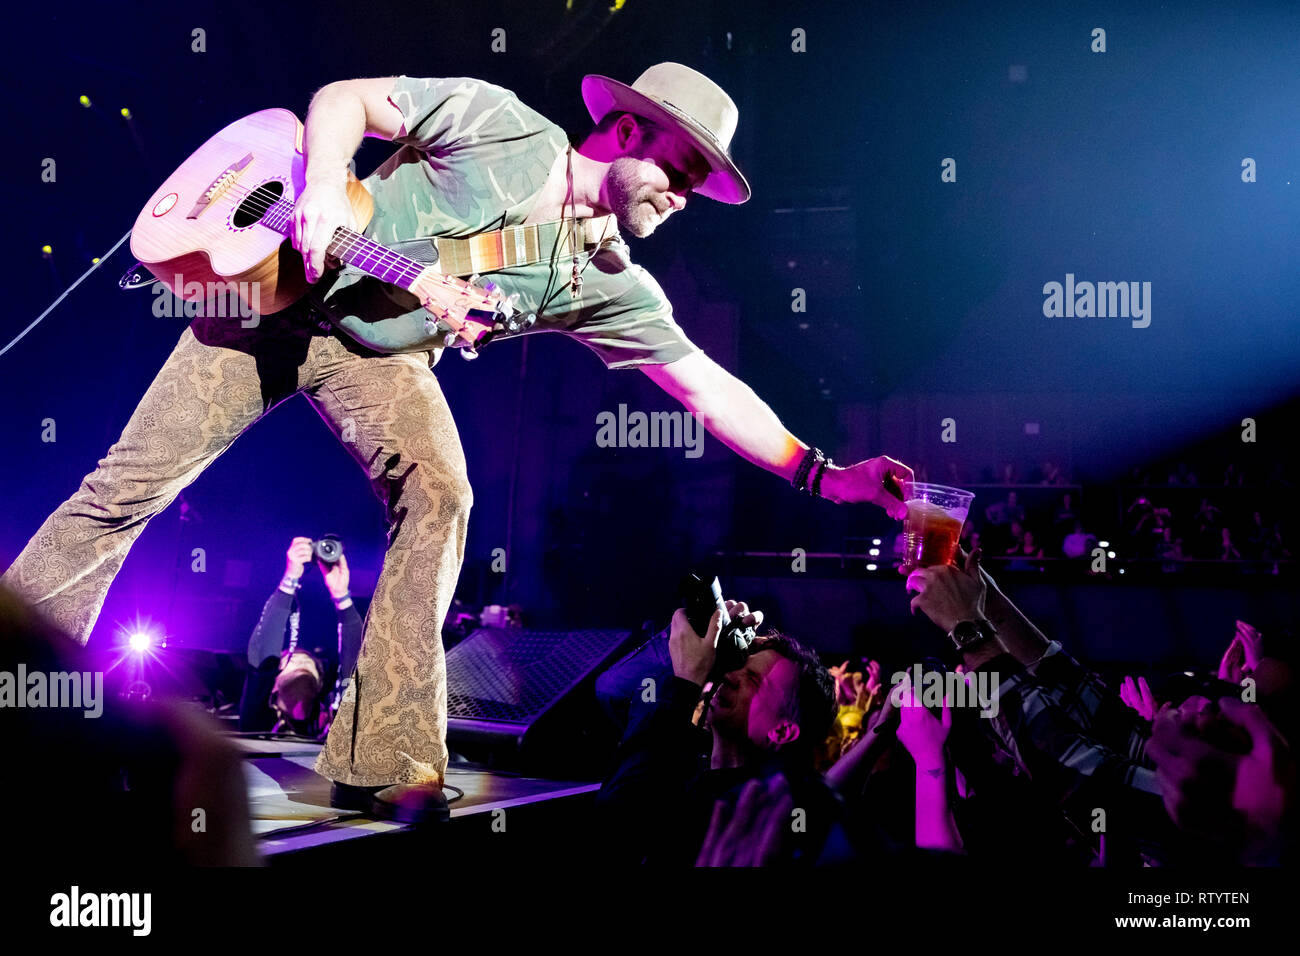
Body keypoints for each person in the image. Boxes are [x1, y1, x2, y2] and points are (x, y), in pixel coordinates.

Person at [1, 64, 911, 823]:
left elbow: (709, 387)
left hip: (378, 355)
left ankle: (383, 754)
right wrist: (321, 186)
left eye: (699, 187)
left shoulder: (606, 283)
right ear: (630, 131)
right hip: (274, 289)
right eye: (681, 167)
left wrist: (829, 477)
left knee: (442, 492)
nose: (684, 197)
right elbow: (343, 101)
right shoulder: (502, 122)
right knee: (126, 488)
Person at [596, 601, 851, 865]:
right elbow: (608, 690)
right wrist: (685, 641)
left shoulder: (753, 810)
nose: (730, 675)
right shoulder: (686, 760)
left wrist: (685, 683)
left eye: (752, 679)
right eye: (739, 664)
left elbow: (611, 835)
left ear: (782, 730)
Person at [239, 537, 363, 737]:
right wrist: (290, 578)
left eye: (308, 662)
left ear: (320, 684)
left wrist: (342, 596)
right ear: (274, 685)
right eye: (293, 661)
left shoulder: (334, 724)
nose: (302, 663)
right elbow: (263, 656)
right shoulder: (257, 719)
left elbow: (354, 666)